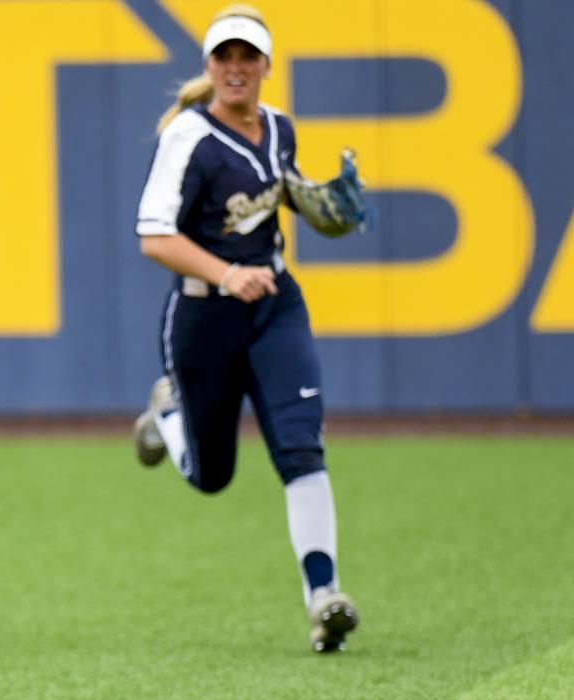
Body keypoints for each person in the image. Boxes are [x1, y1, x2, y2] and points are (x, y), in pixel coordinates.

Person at [131, 5, 362, 652]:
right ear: (210, 65)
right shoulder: (189, 135)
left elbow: (271, 186)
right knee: (212, 476)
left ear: (265, 65)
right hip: (206, 315)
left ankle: (325, 598)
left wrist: (310, 198)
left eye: (247, 57)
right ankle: (165, 417)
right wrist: (229, 275)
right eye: (224, 57)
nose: (236, 68)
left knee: (300, 447)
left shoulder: (280, 128)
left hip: (275, 306)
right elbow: (153, 236)